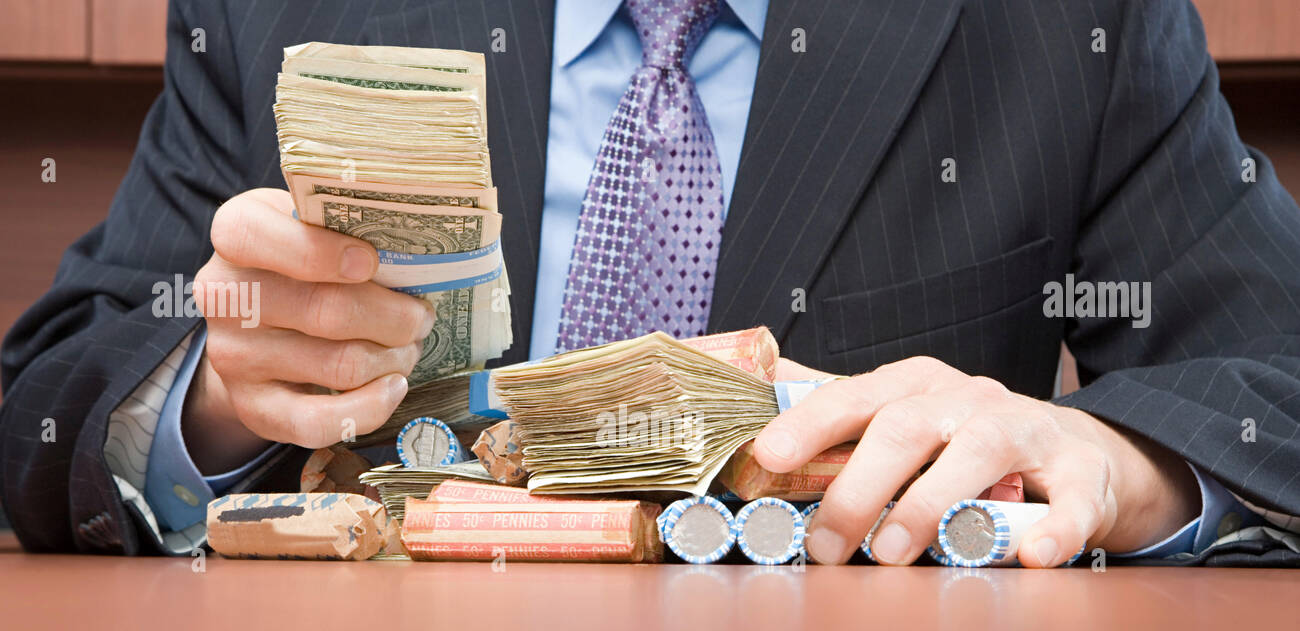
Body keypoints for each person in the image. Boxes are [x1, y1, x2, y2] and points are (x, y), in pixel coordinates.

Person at [3, 0, 1299, 565]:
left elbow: (1277, 389)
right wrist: (216, 397)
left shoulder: (1072, 15)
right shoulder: (286, 3)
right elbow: (42, 403)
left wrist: (1106, 464)